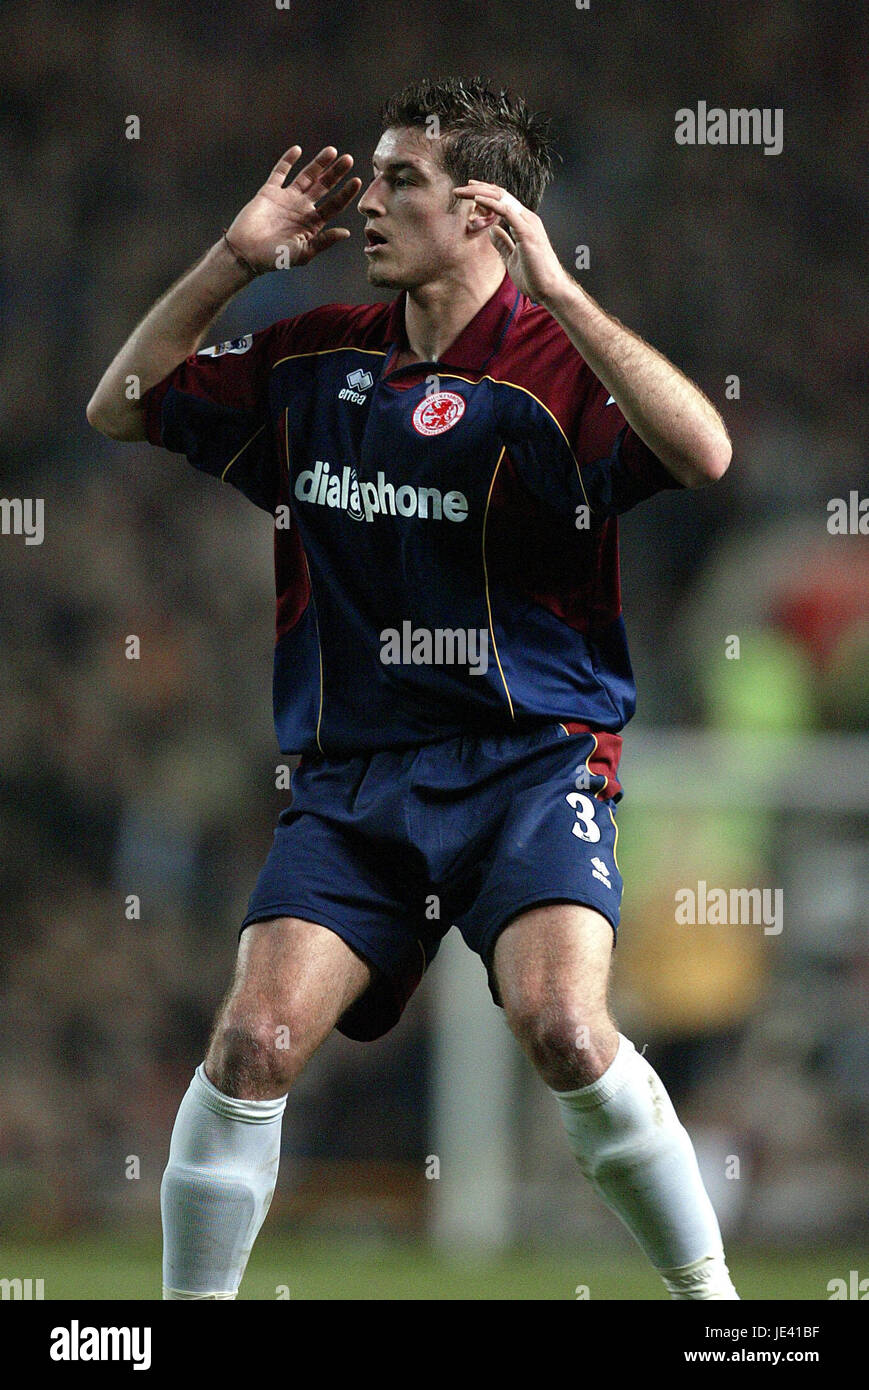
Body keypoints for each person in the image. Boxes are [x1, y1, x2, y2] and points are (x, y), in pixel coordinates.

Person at [88, 77, 737, 1300]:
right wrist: (232, 259)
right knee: (254, 1041)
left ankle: (718, 1315)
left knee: (562, 1027)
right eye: (375, 177)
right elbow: (118, 406)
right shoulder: (315, 354)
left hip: (529, 763)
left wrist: (562, 293)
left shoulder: (552, 368)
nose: (368, 202)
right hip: (354, 780)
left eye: (401, 182)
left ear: (482, 213)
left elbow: (701, 449)